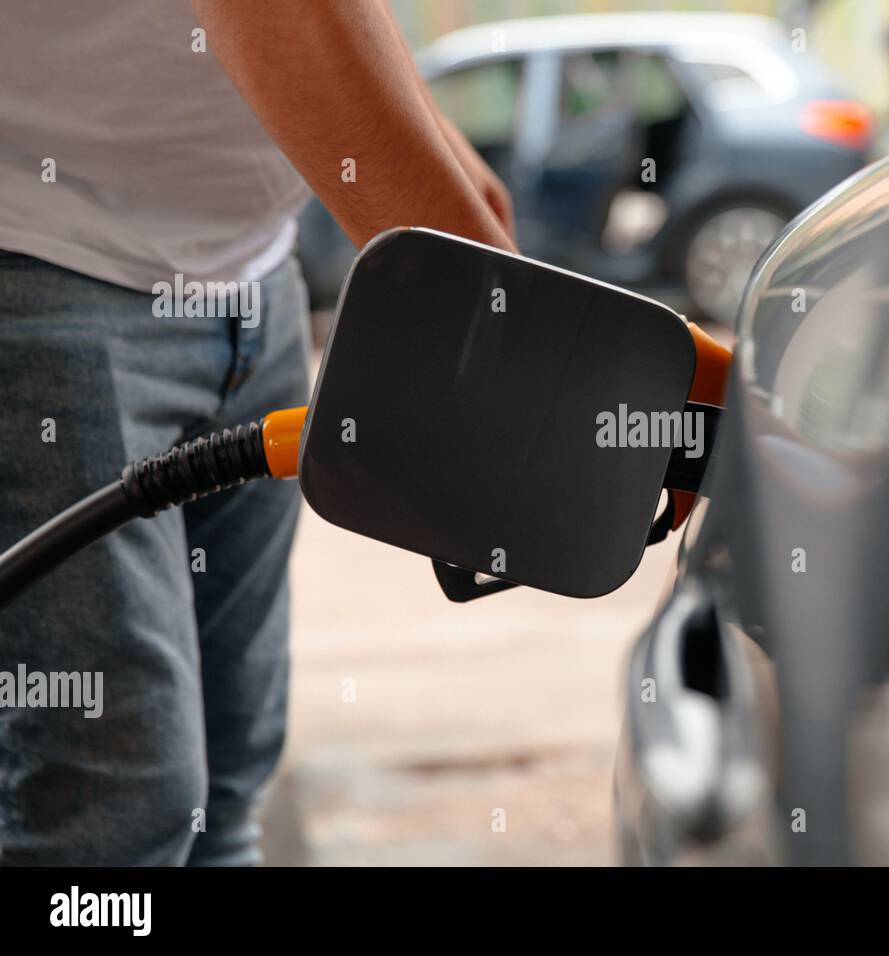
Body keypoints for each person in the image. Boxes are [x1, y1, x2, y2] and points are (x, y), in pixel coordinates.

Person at [0, 1, 513, 865]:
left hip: (253, 275)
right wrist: (504, 333)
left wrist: (447, 162)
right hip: (41, 265)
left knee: (229, 786)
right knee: (114, 812)